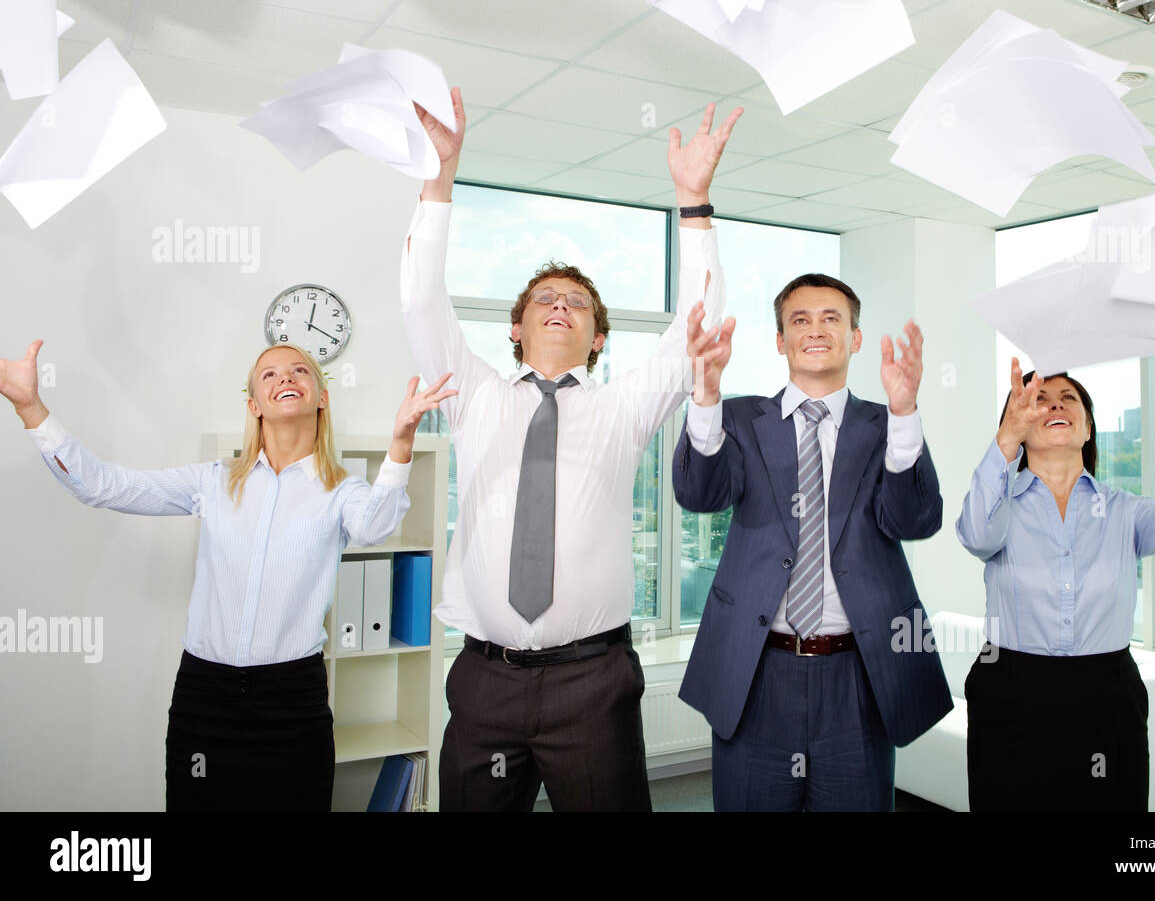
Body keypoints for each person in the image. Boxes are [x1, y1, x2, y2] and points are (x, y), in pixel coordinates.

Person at [401, 87, 743, 811]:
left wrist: (694, 201)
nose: (560, 306)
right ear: (517, 330)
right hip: (486, 681)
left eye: (578, 303)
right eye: (543, 301)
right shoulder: (475, 395)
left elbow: (697, 321)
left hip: (593, 684)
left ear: (599, 337)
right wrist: (440, 177)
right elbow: (420, 301)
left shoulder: (623, 409)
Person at [0, 339, 453, 810]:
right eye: (270, 374)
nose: (286, 379)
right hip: (206, 697)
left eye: (299, 371)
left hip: (292, 701)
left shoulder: (342, 491)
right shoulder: (214, 481)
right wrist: (31, 406)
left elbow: (375, 525)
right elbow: (101, 486)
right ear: (254, 405)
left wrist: (401, 442)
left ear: (322, 396)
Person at [672, 273, 953, 811]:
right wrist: (705, 395)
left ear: (856, 337)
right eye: (800, 320)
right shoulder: (739, 419)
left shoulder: (888, 423)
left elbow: (914, 521)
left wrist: (904, 411)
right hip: (756, 672)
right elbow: (701, 495)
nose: (816, 329)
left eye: (832, 318)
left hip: (858, 673)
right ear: (781, 341)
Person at [956, 348, 1155, 811]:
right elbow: (976, 535)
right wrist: (1004, 439)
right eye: (1040, 399)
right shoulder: (999, 507)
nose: (1056, 405)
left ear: (1087, 428)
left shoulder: (1126, 510)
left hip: (1107, 694)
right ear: (1021, 426)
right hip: (1010, 689)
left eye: (1069, 399)